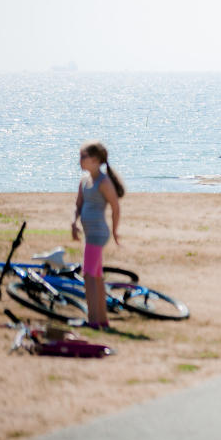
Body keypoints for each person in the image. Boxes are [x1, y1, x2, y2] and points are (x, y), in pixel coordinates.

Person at [71, 141, 125, 329]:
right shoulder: (85, 181)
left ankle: (92, 320)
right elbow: (78, 205)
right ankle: (102, 320)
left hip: (98, 234)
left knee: (88, 276)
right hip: (89, 234)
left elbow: (116, 207)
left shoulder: (103, 181)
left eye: (83, 157)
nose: (80, 160)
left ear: (95, 160)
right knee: (96, 277)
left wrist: (116, 232)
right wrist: (74, 222)